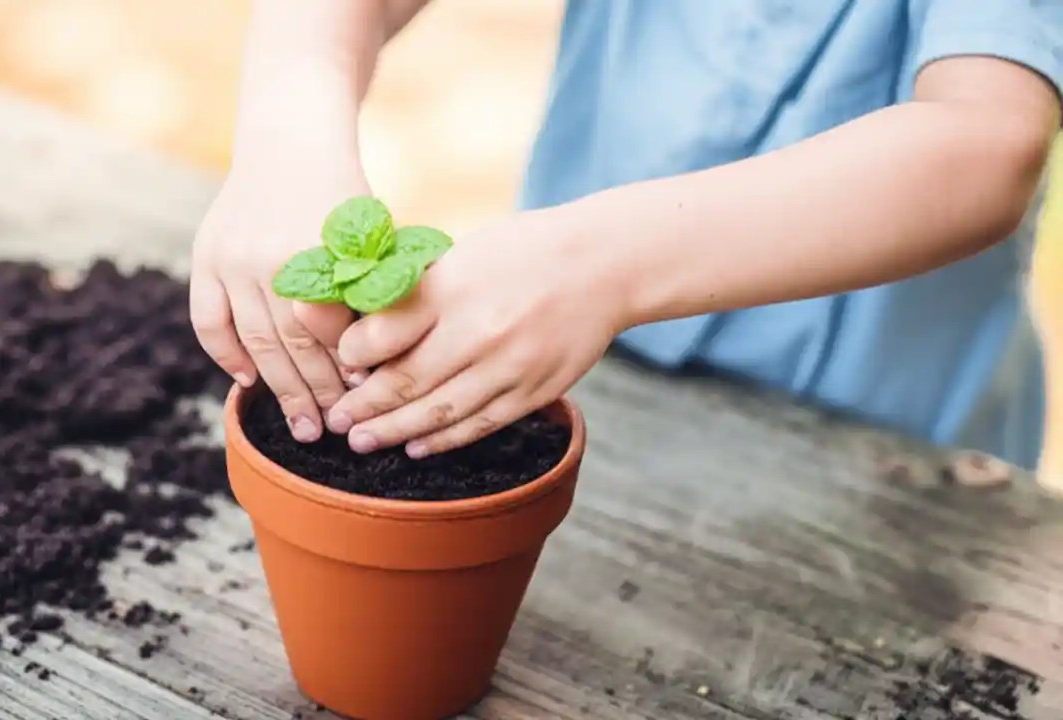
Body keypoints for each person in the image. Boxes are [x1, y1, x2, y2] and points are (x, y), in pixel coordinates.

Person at [191, 1, 1062, 468]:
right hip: (559, 370)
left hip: (887, 455)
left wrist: (599, 264)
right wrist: (289, 124)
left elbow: (986, 142)